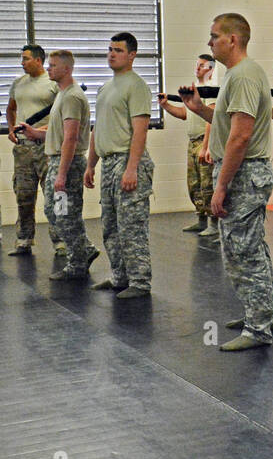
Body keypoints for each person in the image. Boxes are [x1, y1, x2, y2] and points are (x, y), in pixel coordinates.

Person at [180, 13, 273, 351]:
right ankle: (256, 312)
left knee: (245, 252)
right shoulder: (236, 76)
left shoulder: (245, 76)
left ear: (232, 40)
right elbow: (226, 123)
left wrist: (221, 185)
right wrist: (197, 108)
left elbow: (241, 136)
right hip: (240, 170)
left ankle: (259, 328)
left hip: (245, 173)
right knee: (244, 250)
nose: (210, 43)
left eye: (215, 36)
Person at [84, 33, 153, 299]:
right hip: (108, 162)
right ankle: (119, 276)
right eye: (110, 49)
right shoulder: (105, 88)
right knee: (110, 225)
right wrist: (91, 164)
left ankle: (140, 281)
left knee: (131, 226)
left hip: (127, 159)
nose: (112, 54)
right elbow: (97, 129)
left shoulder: (136, 86)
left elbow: (140, 131)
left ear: (132, 55)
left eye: (118, 50)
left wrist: (132, 168)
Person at [18, 50, 97, 281]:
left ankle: (77, 262)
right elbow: (58, 133)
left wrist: (61, 175)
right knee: (56, 212)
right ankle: (85, 250)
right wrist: (34, 133)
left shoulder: (72, 97)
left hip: (67, 165)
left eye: (53, 65)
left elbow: (71, 138)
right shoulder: (62, 95)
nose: (49, 68)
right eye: (49, 65)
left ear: (67, 69)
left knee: (64, 214)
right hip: (58, 161)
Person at [6, 44, 59, 257]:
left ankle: (61, 241)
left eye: (26, 59)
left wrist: (40, 131)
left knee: (55, 196)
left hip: (47, 147)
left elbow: (61, 116)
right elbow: (11, 109)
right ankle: (24, 239)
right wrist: (11, 129)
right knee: (24, 195)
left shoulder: (52, 84)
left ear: (38, 60)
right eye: (22, 59)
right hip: (23, 149)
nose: (22, 63)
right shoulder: (18, 84)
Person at [159, 54, 217, 236]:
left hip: (203, 141)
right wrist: (166, 106)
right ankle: (201, 220)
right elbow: (185, 114)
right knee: (194, 184)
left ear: (211, 69)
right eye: (197, 64)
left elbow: (212, 120)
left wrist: (206, 147)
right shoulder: (196, 89)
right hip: (192, 142)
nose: (198, 68)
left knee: (208, 184)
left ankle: (215, 225)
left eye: (202, 65)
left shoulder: (211, 90)